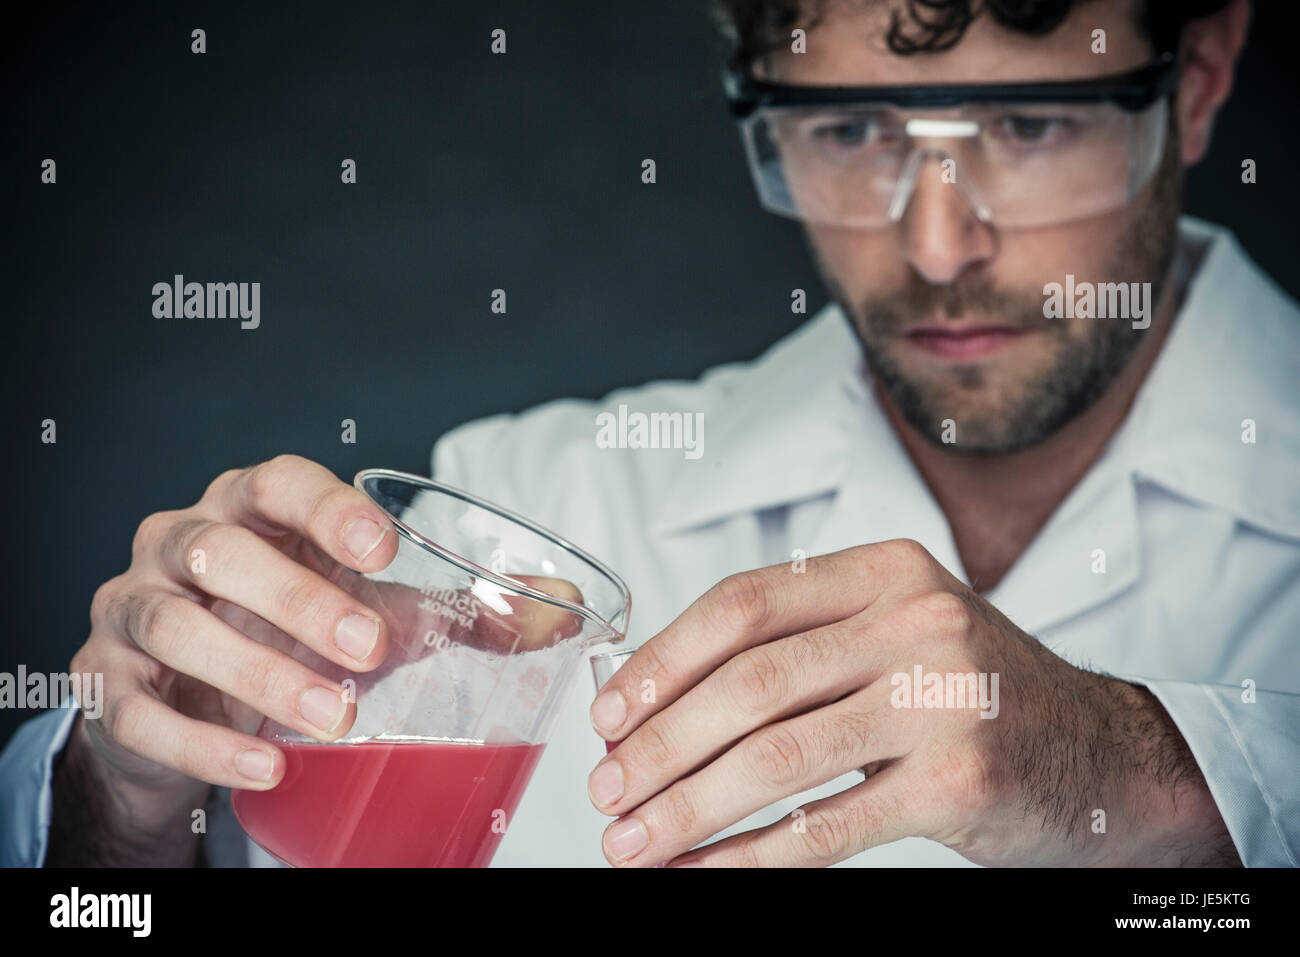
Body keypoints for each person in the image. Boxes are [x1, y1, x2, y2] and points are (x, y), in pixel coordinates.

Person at [2, 0, 1295, 868]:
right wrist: (119, 811)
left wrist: (1151, 772)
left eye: (1028, 125)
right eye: (850, 130)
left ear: (1199, 82)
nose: (937, 243)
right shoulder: (523, 519)